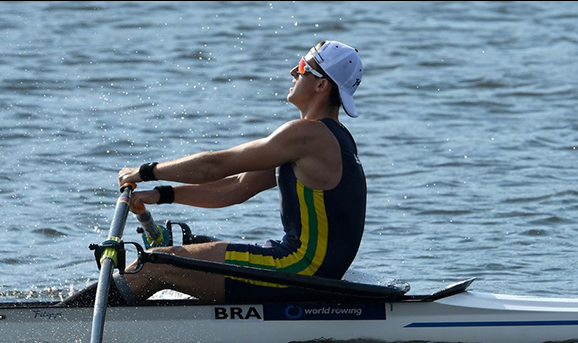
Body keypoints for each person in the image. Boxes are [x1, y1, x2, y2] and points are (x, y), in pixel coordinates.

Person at [61, 40, 365, 306]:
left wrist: (145, 171)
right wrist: (163, 195)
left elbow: (215, 165)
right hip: (311, 270)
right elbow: (237, 186)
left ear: (321, 85)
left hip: (298, 269)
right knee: (185, 249)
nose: (293, 72)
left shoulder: (306, 134)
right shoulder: (334, 138)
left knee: (154, 264)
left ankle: (61, 327)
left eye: (302, 66)